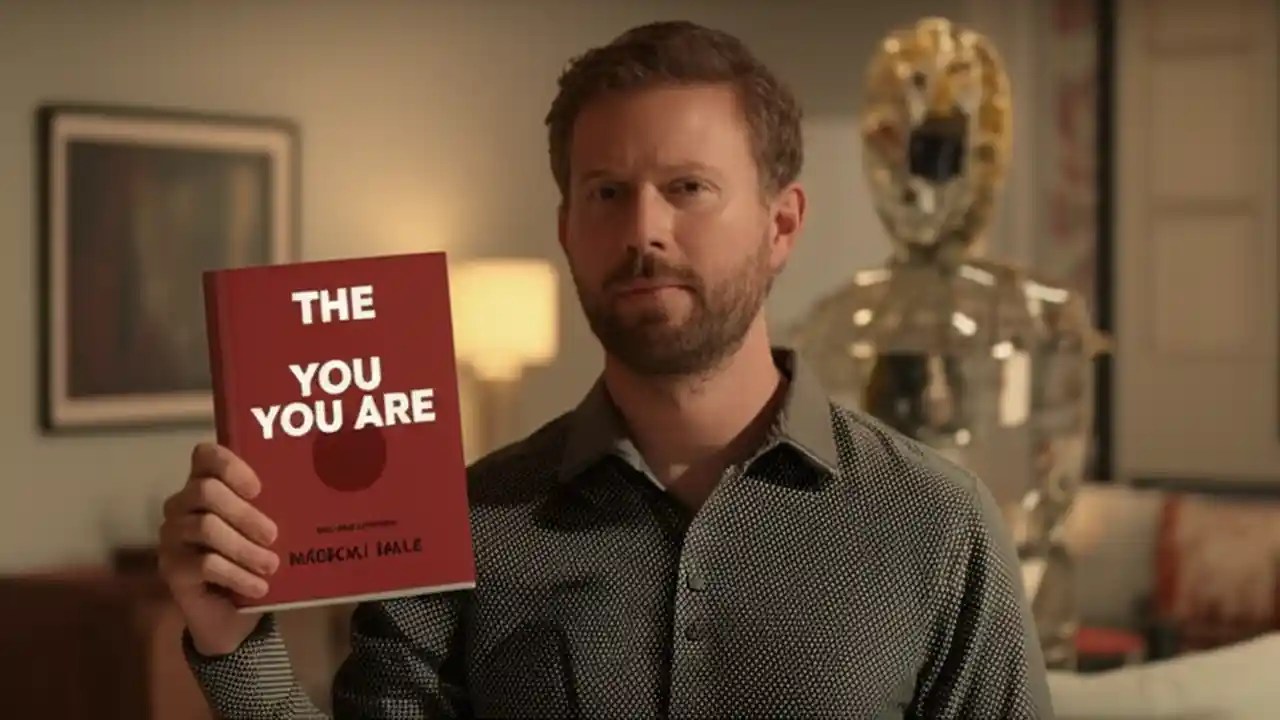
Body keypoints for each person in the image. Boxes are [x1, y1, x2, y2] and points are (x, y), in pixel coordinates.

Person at [159, 20, 1054, 719]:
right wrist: (232, 645)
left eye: (688, 188)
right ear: (567, 231)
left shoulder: (936, 529)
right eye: (608, 193)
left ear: (782, 225)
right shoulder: (459, 531)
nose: (644, 231)